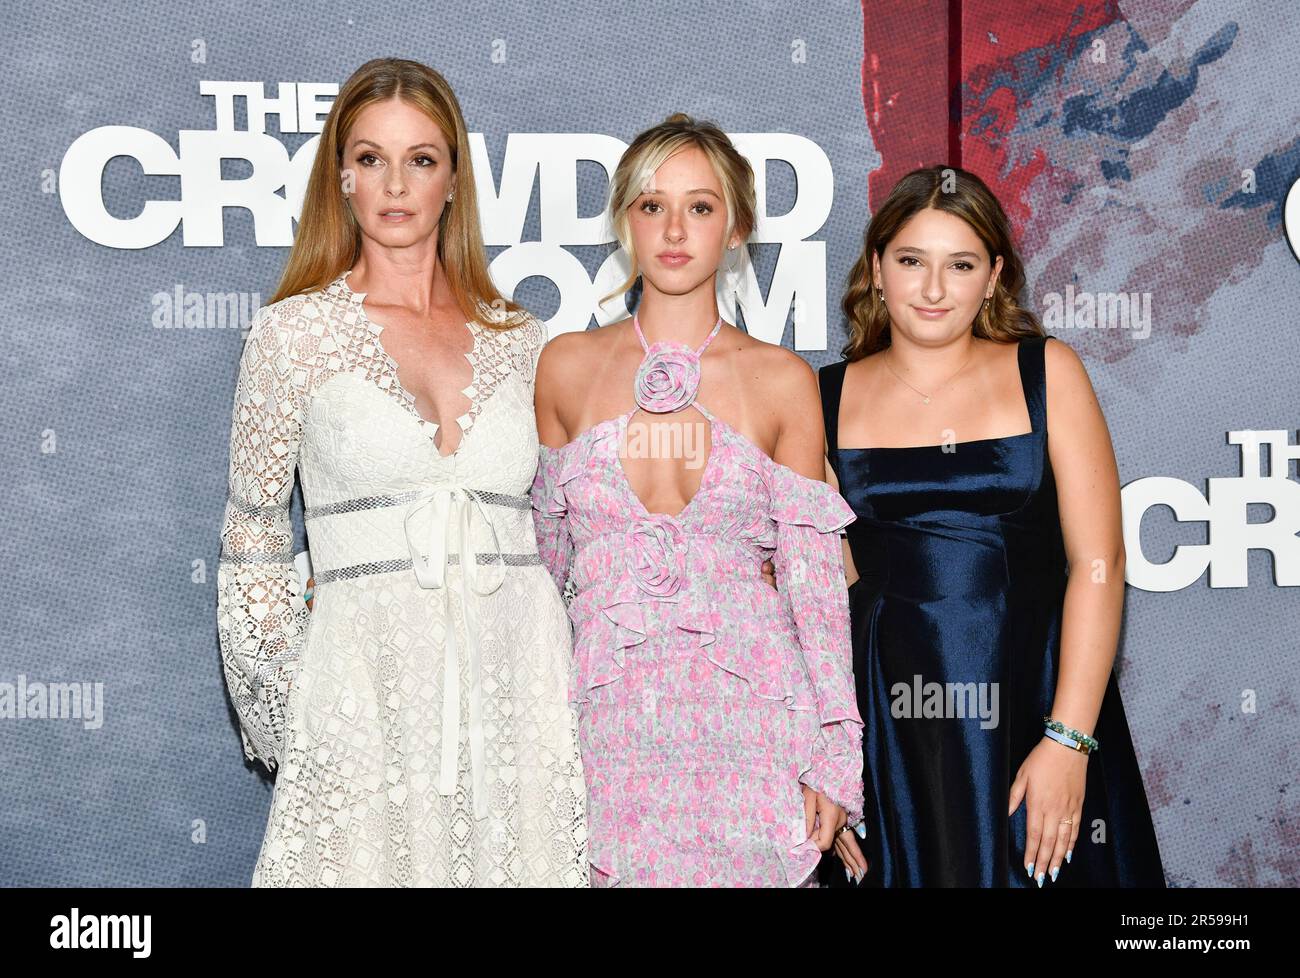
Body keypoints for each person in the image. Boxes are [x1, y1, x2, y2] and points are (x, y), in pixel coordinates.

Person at [216, 57, 587, 887]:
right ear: (340, 176)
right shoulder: (291, 336)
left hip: (520, 683)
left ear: (453, 178)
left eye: (421, 158)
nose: (395, 183)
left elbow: (571, 526)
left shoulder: (526, 339)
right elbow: (253, 534)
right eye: (371, 157)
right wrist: (293, 695)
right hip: (360, 687)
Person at [530, 113, 865, 887]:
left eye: (701, 207)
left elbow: (816, 593)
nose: (675, 229)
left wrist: (835, 757)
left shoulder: (783, 379)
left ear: (737, 225)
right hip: (603, 729)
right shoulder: (564, 368)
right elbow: (542, 584)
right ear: (625, 222)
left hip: (754, 733)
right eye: (652, 206)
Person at [821, 164, 1166, 887]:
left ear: (994, 276)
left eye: (962, 264)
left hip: (1032, 702)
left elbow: (1099, 564)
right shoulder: (821, 395)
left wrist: (1069, 741)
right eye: (912, 261)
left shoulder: (1048, 371)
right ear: (877, 269)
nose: (935, 288)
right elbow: (817, 591)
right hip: (886, 726)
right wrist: (823, 761)